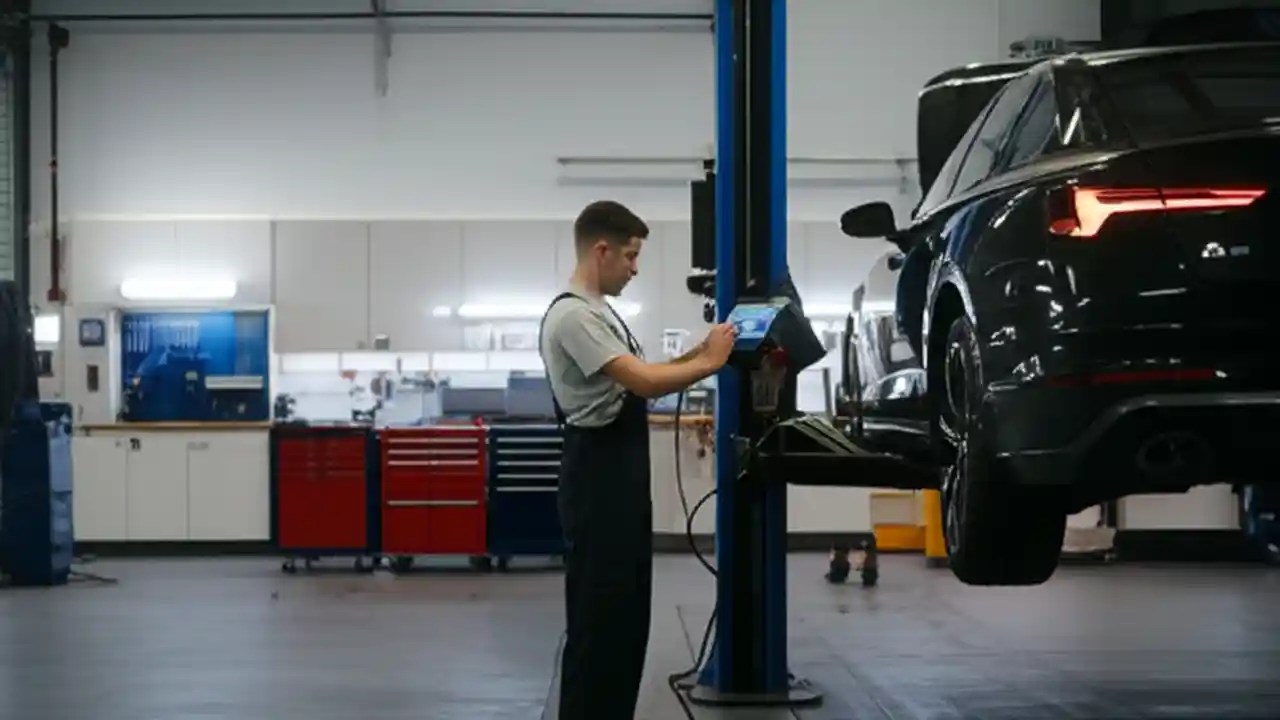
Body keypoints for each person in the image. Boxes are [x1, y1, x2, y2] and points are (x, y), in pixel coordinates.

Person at [538, 200, 737, 719]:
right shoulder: (573, 316)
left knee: (625, 617)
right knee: (600, 621)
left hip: (617, 477)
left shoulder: (600, 312)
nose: (635, 267)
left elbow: (644, 370)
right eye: (629, 255)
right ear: (600, 250)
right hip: (597, 477)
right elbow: (644, 383)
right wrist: (712, 365)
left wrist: (699, 352)